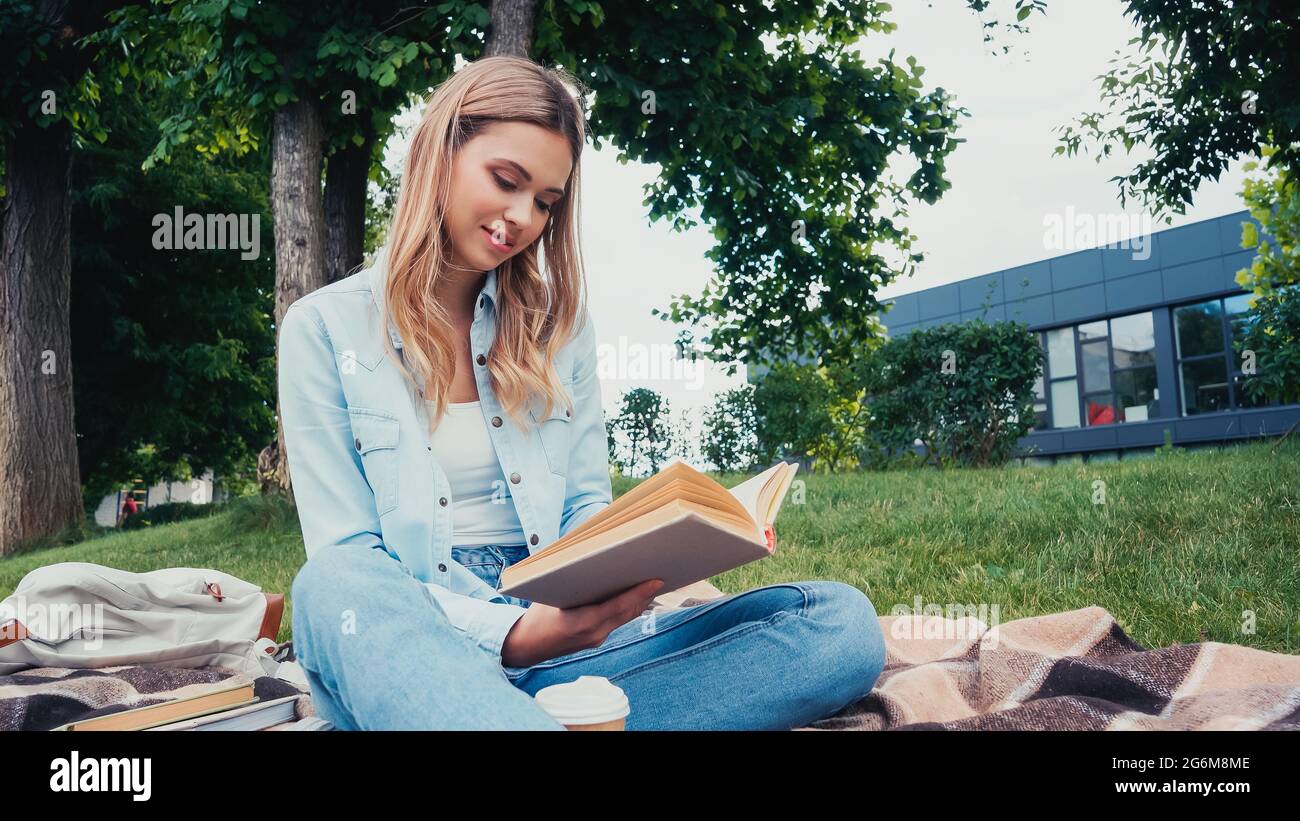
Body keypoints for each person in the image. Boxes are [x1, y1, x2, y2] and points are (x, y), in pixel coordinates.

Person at [278, 55, 886, 730]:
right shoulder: (323, 329)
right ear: (440, 152)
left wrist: (634, 565)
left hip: (568, 643)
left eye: (544, 202)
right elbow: (349, 555)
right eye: (506, 181)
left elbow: (583, 508)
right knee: (330, 586)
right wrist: (511, 637)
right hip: (412, 644)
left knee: (836, 624)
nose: (521, 217)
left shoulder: (558, 330)